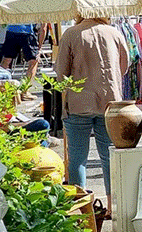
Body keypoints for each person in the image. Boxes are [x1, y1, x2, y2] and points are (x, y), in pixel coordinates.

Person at [54, 15, 129, 211]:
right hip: (109, 102)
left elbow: (61, 72)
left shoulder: (71, 34)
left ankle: (82, 210)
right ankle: (113, 207)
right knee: (109, 156)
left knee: (78, 158)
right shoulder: (114, 32)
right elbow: (124, 66)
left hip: (78, 103)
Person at [0, 24, 45, 100]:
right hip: (27, 32)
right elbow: (43, 29)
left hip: (11, 30)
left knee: (6, 60)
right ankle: (25, 91)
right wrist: (39, 48)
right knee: (33, 62)